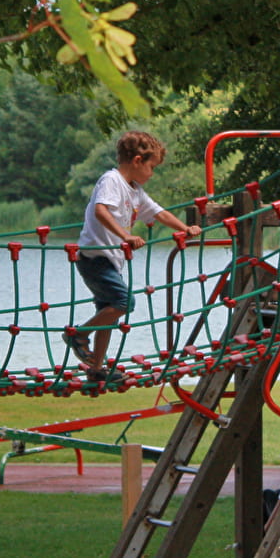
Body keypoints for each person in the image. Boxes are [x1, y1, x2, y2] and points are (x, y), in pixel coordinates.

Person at [63, 131, 201, 378]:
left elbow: (159, 213)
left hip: (110, 259)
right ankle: (79, 334)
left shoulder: (135, 190)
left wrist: (185, 229)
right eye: (152, 167)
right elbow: (100, 211)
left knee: (108, 311)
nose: (152, 173)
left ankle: (96, 369)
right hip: (95, 258)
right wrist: (125, 236)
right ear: (137, 160)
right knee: (124, 302)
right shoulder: (111, 180)